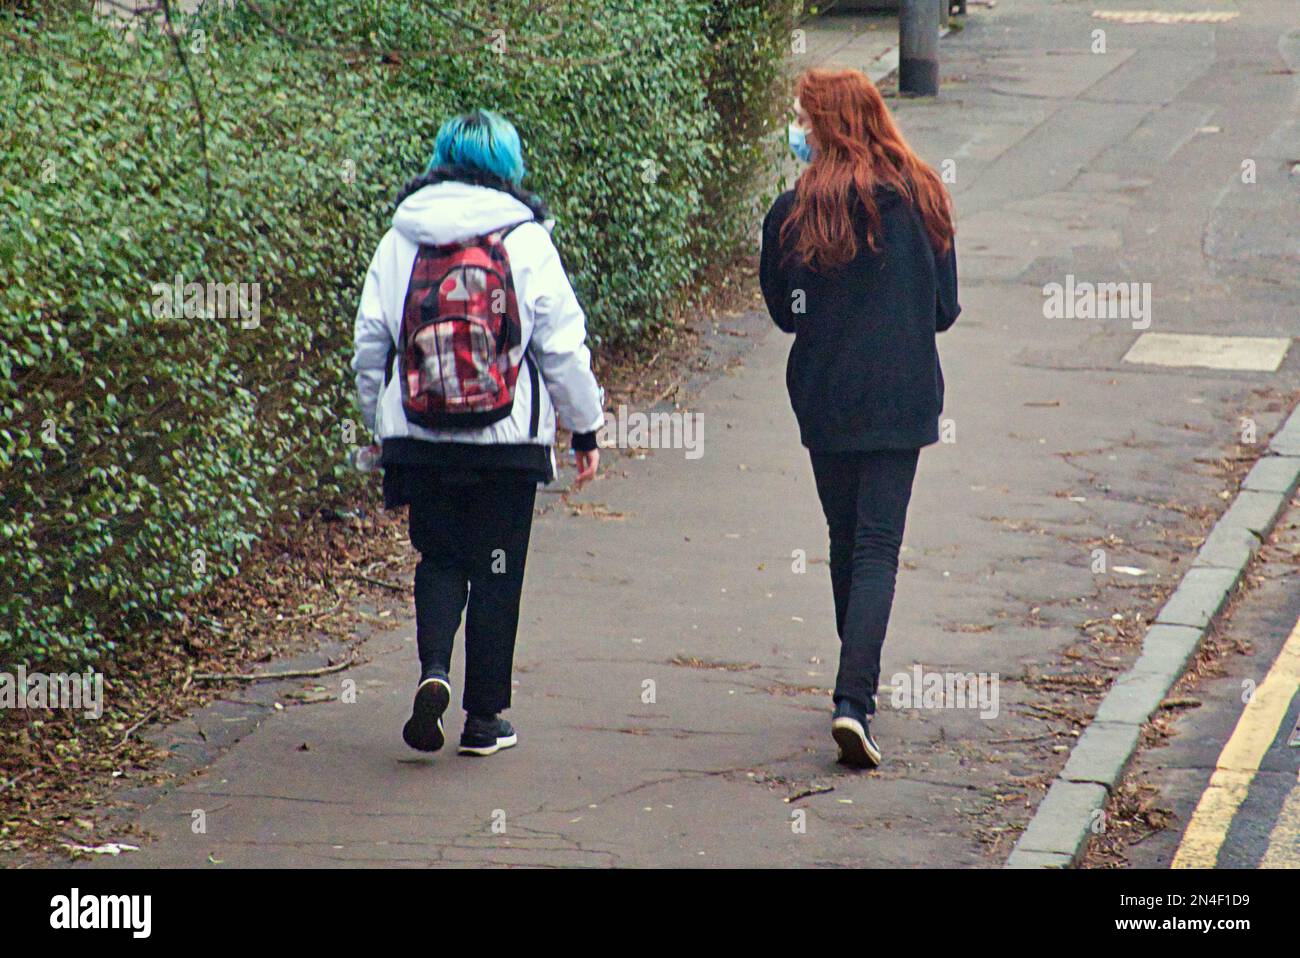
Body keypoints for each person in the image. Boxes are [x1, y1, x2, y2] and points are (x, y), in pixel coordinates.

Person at [351, 109, 604, 757]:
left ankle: (434, 669)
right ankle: (483, 720)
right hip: (507, 441)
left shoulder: (401, 236)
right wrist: (584, 427)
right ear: (509, 165)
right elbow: (562, 345)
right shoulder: (526, 238)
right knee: (497, 569)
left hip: (420, 433)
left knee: (439, 557)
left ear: (440, 158)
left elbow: (370, 342)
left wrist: (380, 424)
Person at [759, 69, 960, 768]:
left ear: (823, 129)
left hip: (826, 401)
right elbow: (945, 310)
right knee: (877, 548)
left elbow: (786, 313)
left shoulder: (793, 212)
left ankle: (855, 686)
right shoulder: (924, 197)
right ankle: (854, 700)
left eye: (806, 123)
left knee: (846, 541)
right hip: (901, 400)